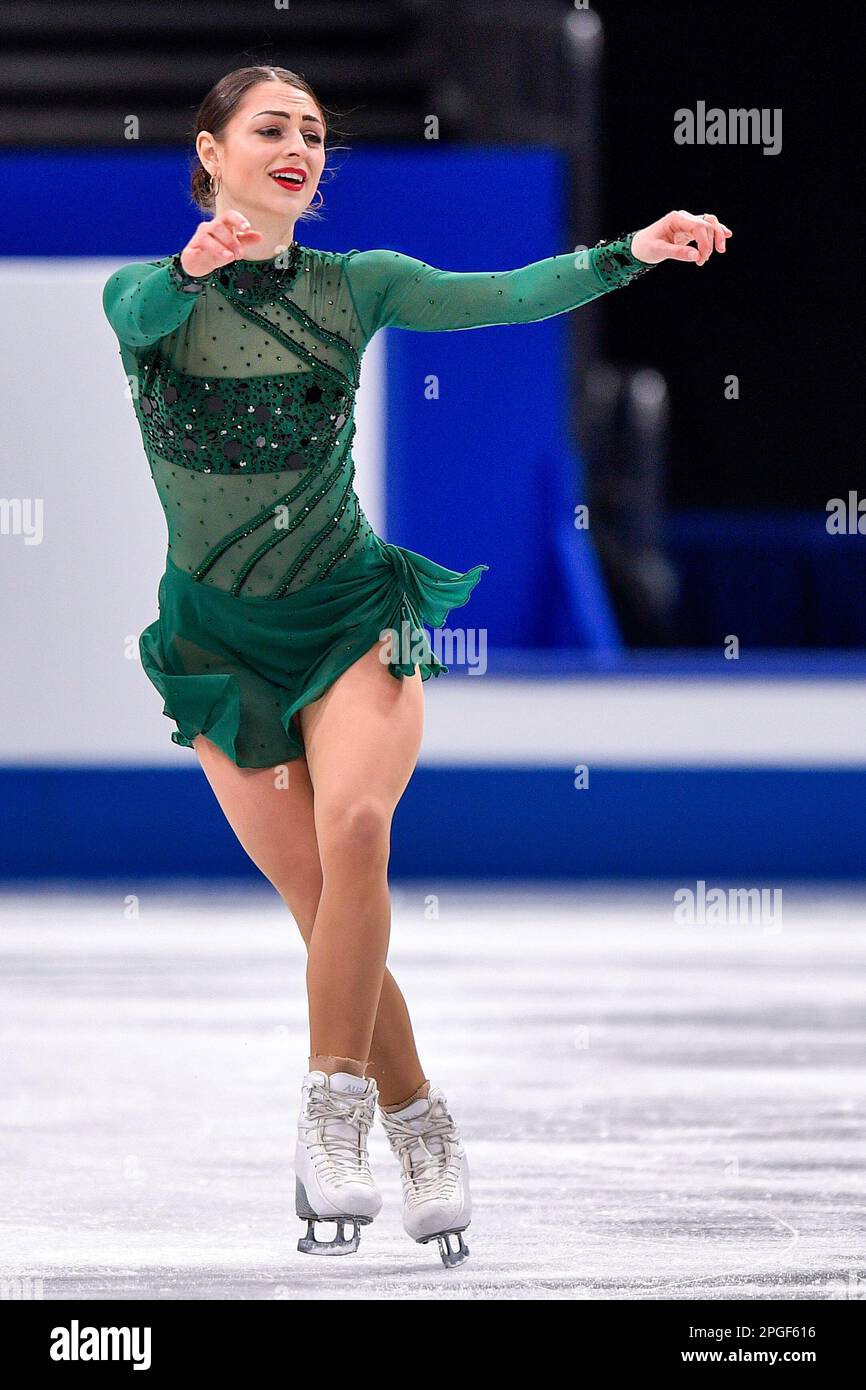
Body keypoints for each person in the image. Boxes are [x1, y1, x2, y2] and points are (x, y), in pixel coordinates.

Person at [102, 64, 731, 1265]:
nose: (298, 147)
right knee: (319, 907)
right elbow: (136, 313)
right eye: (271, 129)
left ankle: (330, 1115)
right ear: (212, 151)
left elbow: (499, 295)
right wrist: (191, 265)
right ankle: (421, 1122)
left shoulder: (359, 285)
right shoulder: (146, 296)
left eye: (314, 133)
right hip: (218, 647)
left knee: (355, 830)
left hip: (351, 614)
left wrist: (629, 250)